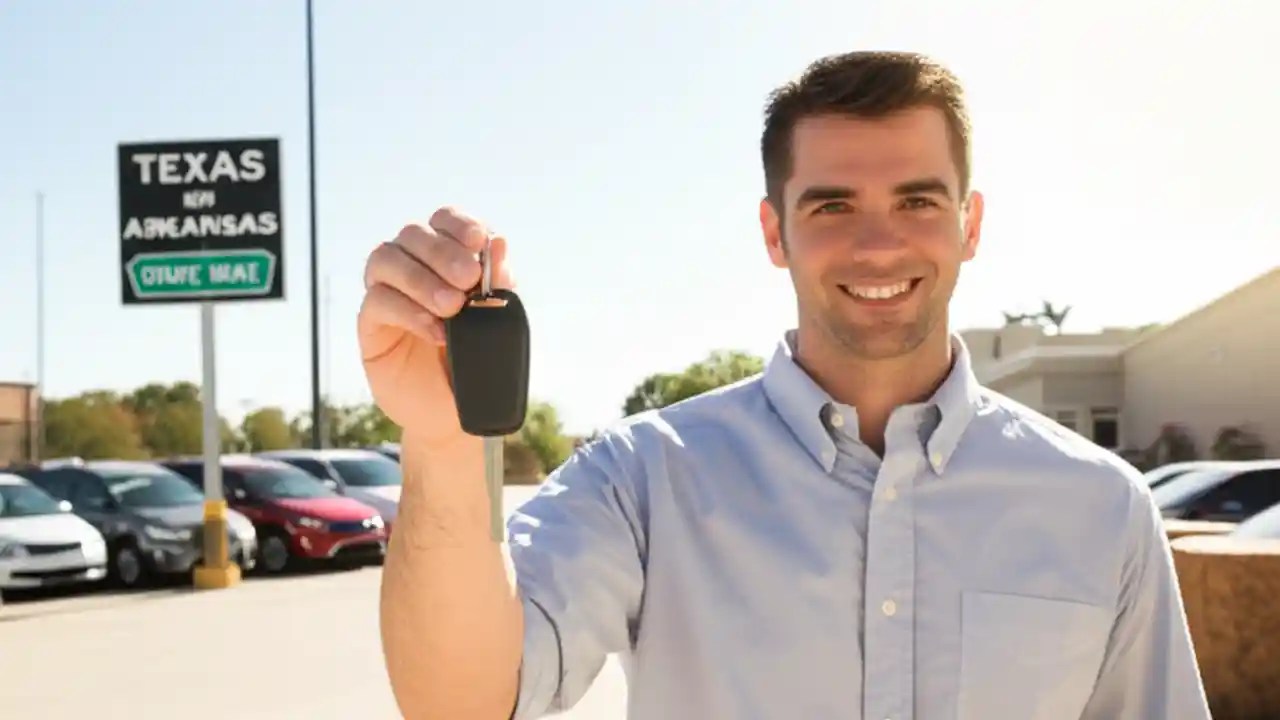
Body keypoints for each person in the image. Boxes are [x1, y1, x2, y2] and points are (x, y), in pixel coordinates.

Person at [361, 50, 1211, 720]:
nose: (879, 246)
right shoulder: (645, 478)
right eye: (832, 207)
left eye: (917, 201)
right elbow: (461, 701)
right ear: (775, 232)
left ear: (969, 223)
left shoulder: (1100, 506)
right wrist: (441, 446)